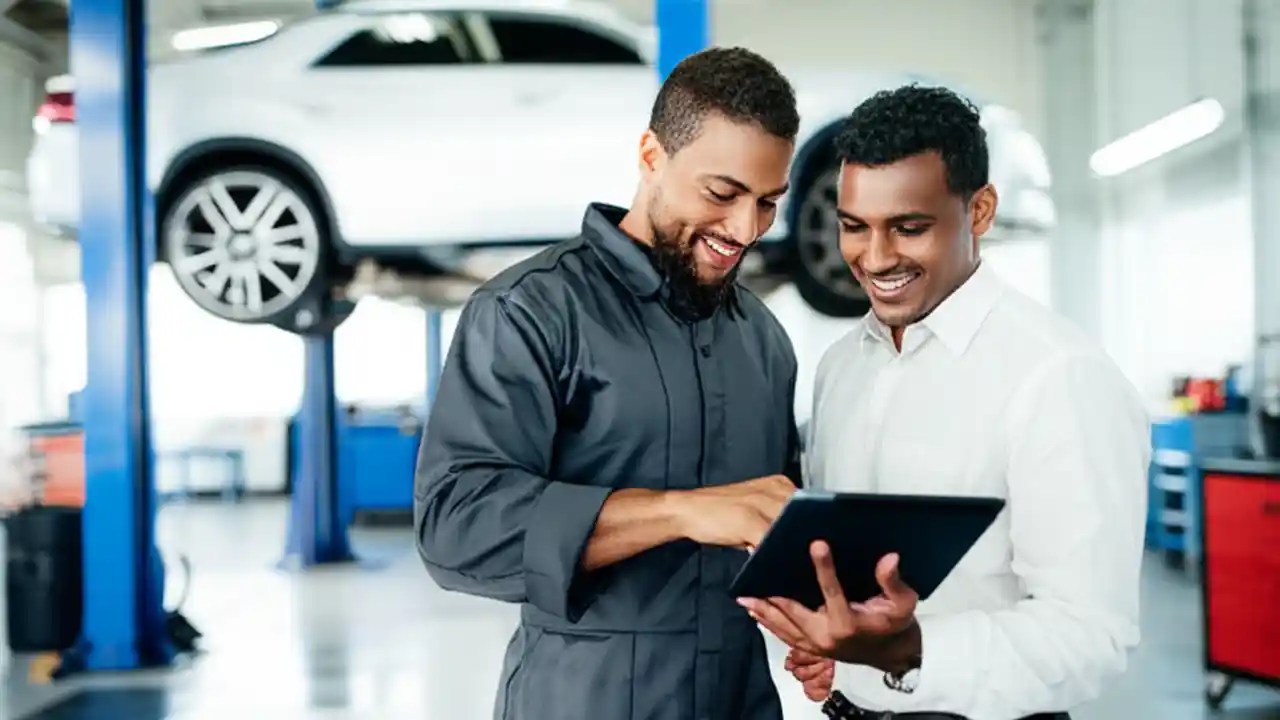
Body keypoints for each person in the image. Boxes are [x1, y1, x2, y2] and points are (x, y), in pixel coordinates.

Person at [414, 47, 805, 720]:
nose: (745, 229)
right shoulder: (528, 313)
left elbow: (775, 531)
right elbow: (456, 529)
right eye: (722, 193)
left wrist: (822, 625)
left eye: (768, 202)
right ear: (652, 155)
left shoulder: (763, 340)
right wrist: (679, 511)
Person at [738, 85, 1151, 720]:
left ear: (980, 210)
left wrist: (906, 650)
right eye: (854, 228)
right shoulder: (842, 367)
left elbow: (1089, 637)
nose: (875, 259)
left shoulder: (1059, 377)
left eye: (909, 228)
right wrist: (834, 648)